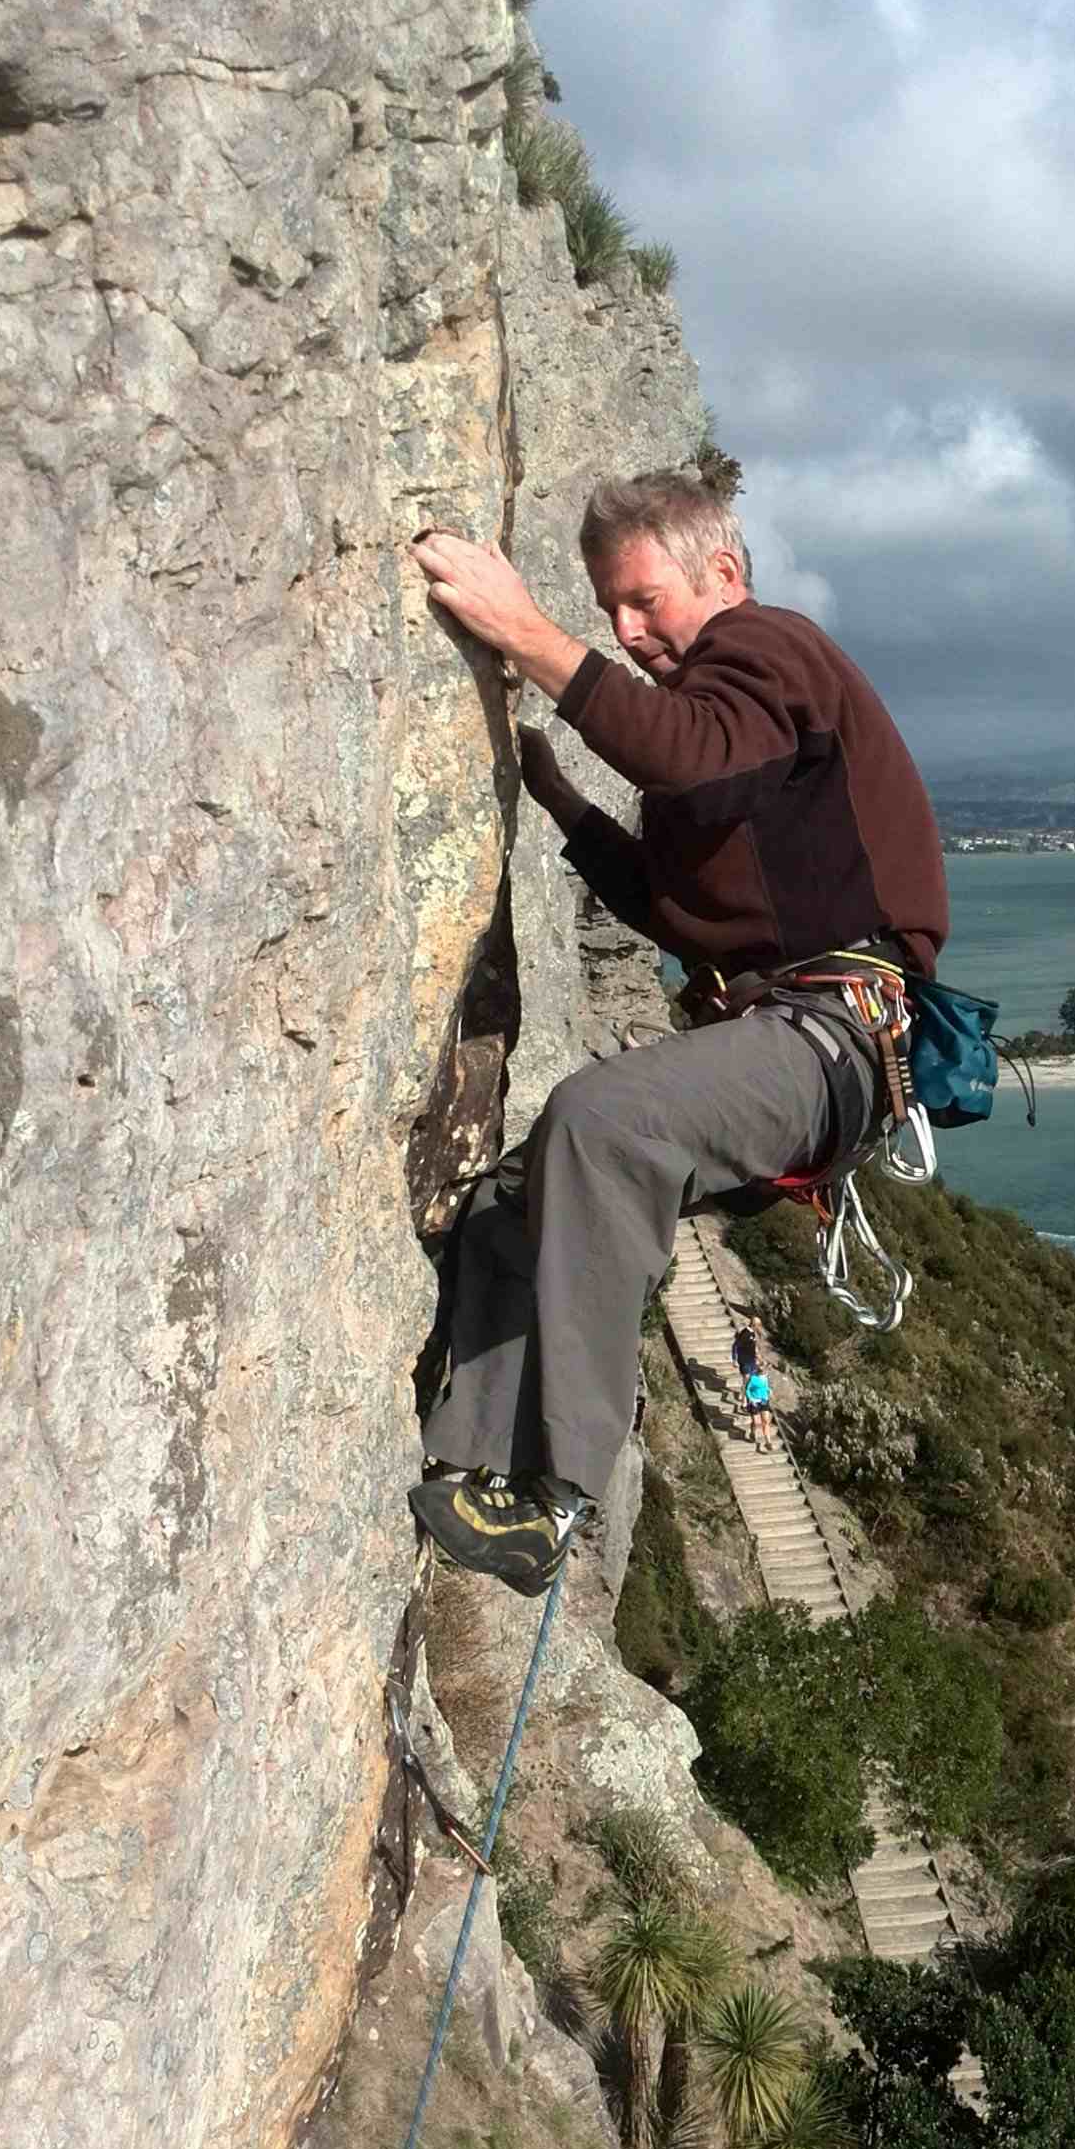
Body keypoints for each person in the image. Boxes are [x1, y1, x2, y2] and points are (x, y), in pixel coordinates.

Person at [404, 470, 947, 1593]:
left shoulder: (771, 651)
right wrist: (553, 794)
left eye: (646, 599)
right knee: (517, 1197)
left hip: (831, 1034)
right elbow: (669, 903)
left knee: (599, 1120)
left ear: (727, 576)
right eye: (610, 608)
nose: (626, 629)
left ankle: (555, 1492)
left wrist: (528, 632)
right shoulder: (738, 732)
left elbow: (686, 749)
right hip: (786, 1033)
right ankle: (469, 1469)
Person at [731, 1319, 774, 1449]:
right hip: (744, 1361)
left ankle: (768, 1441)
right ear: (754, 1324)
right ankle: (744, 1402)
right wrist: (734, 1359)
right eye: (758, 1325)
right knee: (747, 1381)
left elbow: (754, 1348)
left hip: (752, 1361)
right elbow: (735, 1346)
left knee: (765, 1420)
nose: (760, 1327)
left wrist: (759, 1357)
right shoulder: (744, 1333)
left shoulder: (753, 1334)